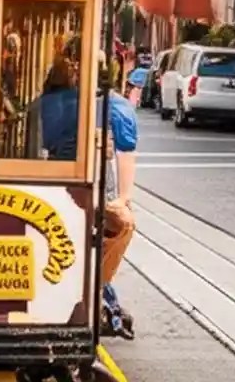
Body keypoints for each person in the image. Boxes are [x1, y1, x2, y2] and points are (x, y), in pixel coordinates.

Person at [99, 84, 138, 338]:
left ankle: (106, 301)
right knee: (123, 226)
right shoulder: (116, 106)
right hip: (101, 191)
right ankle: (103, 299)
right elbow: (126, 153)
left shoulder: (51, 100)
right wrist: (123, 199)